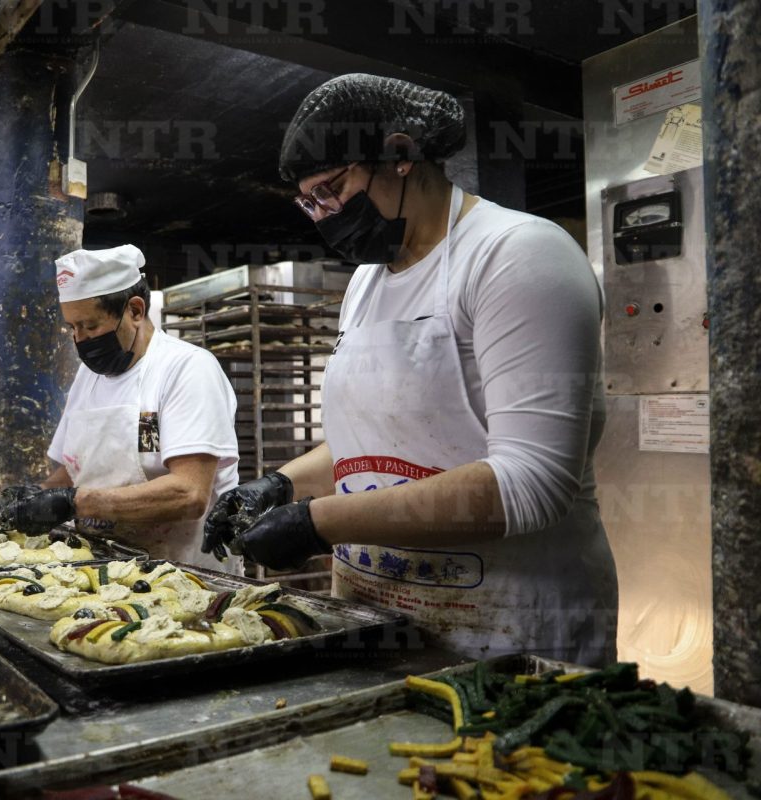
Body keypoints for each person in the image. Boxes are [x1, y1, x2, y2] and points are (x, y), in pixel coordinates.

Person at [202, 74, 618, 664]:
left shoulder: (518, 254)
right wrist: (282, 485)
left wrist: (319, 523)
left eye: (333, 190)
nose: (324, 216)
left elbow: (533, 484)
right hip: (383, 623)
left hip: (508, 634)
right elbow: (370, 441)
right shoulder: (367, 283)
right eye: (309, 202)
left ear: (399, 156)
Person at [0, 245, 240, 571]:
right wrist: (36, 496)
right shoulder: (88, 376)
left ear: (135, 311)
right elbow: (78, 468)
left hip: (182, 571)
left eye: (91, 326)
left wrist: (77, 503)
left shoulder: (187, 369)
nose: (80, 340)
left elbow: (190, 493)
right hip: (105, 566)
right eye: (72, 328)